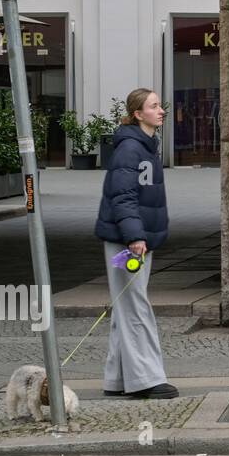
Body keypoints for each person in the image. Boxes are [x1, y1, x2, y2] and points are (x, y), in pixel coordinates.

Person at [94, 88, 178, 400]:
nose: (161, 111)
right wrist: (135, 237)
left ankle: (116, 379)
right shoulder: (131, 149)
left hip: (133, 240)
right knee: (134, 307)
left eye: (160, 106)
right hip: (126, 242)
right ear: (138, 114)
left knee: (126, 305)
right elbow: (123, 197)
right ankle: (146, 379)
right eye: (154, 106)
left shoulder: (144, 147)